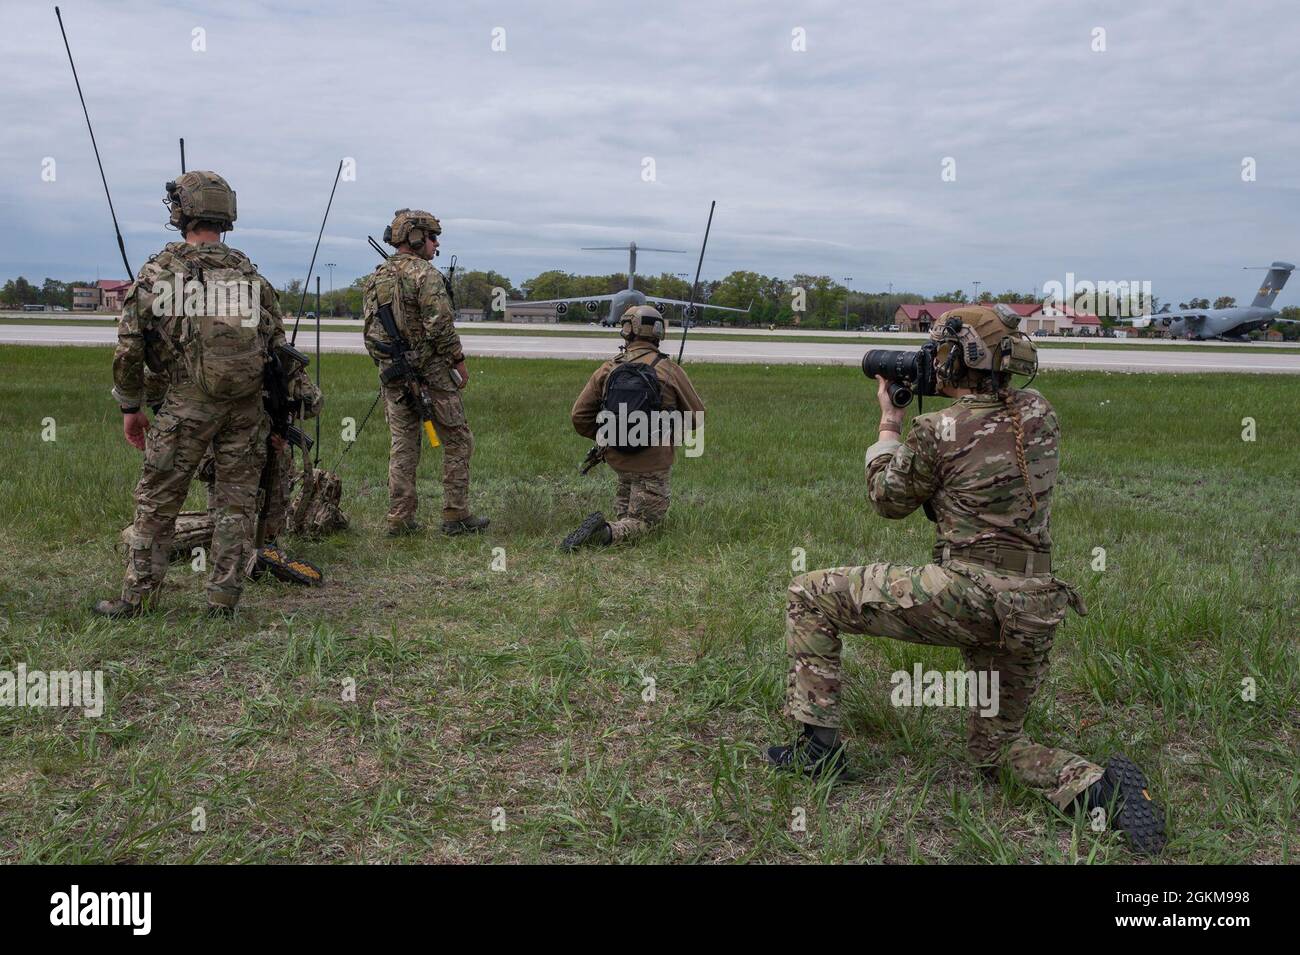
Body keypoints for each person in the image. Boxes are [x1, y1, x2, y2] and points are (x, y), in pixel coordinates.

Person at [767, 304, 1167, 854]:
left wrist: (889, 423)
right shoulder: (1040, 413)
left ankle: (817, 750)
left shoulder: (937, 429)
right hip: (1034, 606)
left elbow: (887, 501)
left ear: (956, 358)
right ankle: (1099, 790)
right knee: (996, 755)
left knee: (809, 592)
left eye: (939, 351)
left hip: (968, 596)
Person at [94, 171, 311, 618]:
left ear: (181, 213)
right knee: (236, 506)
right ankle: (222, 602)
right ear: (225, 213)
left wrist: (131, 407)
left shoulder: (160, 272)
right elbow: (278, 348)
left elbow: (129, 347)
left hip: (185, 406)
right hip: (246, 410)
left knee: (158, 501)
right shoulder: (252, 276)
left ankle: (137, 598)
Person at [362, 209, 487, 537]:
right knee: (458, 439)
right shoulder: (426, 275)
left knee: (403, 443)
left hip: (394, 375)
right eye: (432, 237)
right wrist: (457, 359)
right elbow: (440, 324)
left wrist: (389, 365)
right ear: (416, 238)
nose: (436, 244)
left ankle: (400, 518)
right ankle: (455, 513)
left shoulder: (376, 277)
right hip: (431, 372)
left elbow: (371, 333)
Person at [562, 305, 705, 549]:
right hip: (653, 464)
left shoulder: (609, 368)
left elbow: (579, 416)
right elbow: (697, 418)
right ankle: (603, 533)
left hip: (618, 459)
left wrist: (608, 435)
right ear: (659, 333)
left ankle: (616, 523)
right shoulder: (669, 370)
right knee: (646, 524)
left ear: (627, 331)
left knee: (627, 509)